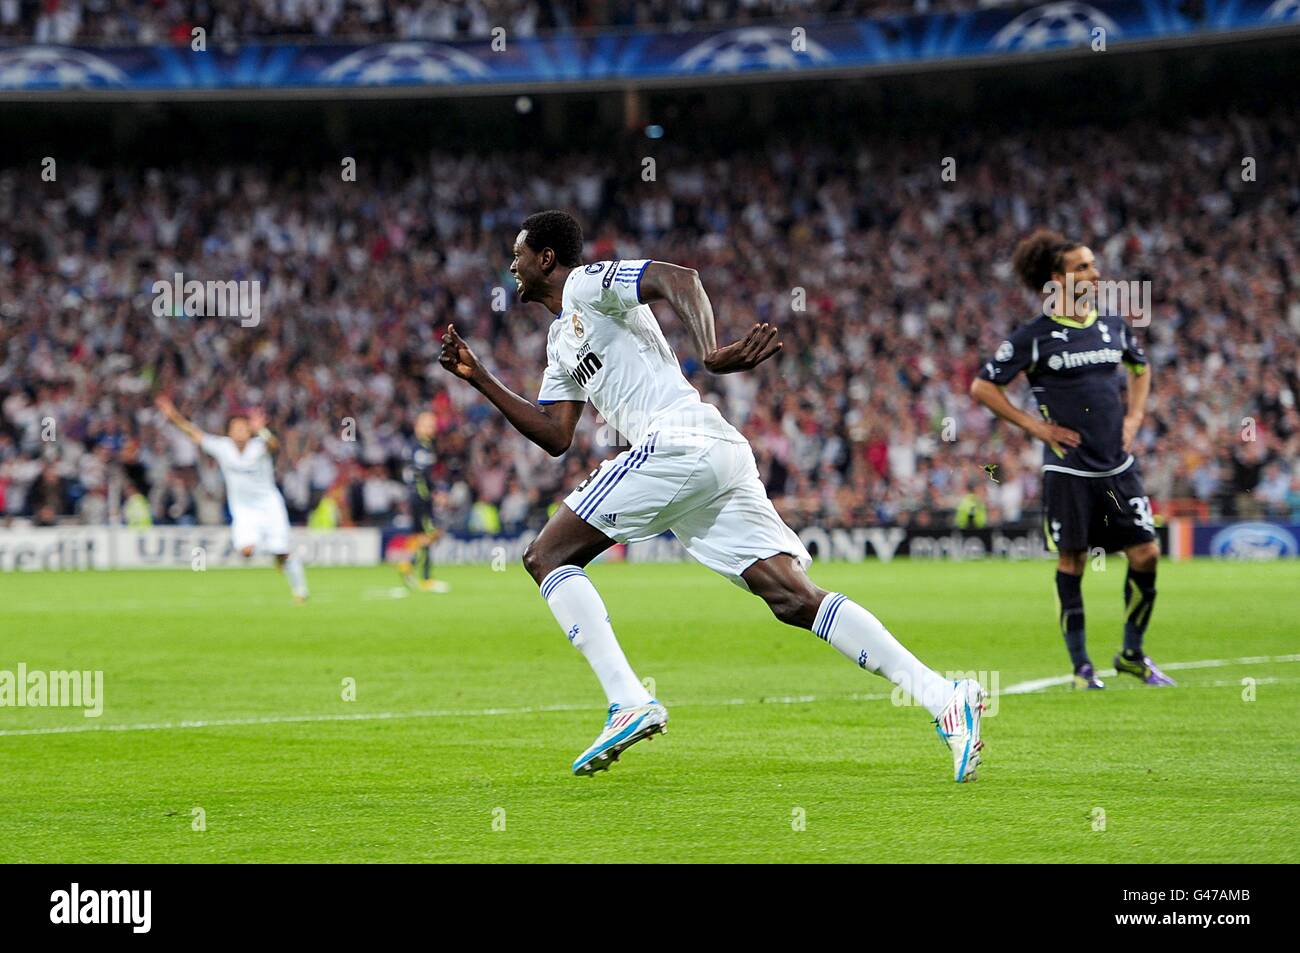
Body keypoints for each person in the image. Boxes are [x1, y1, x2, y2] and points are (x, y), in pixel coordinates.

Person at [439, 209, 987, 781]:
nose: (512, 264)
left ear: (547, 258)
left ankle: (628, 700)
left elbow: (680, 278)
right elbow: (555, 435)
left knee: (545, 556)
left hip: (679, 443)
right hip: (708, 455)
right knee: (792, 597)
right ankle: (945, 697)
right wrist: (479, 378)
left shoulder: (588, 283)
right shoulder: (560, 343)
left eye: (519, 253)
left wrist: (711, 349)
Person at [970, 229, 1174, 689]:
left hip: (1118, 465)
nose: (1094, 273)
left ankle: (1132, 653)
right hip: (1069, 469)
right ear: (1055, 280)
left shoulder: (1112, 325)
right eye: (1082, 267)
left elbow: (1140, 368)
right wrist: (1037, 428)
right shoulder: (1034, 337)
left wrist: (1136, 416)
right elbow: (983, 387)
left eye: (1093, 264)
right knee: (1073, 562)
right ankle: (1082, 667)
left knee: (1146, 554)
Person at [155, 395, 309, 603]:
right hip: (244, 508)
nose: (239, 432)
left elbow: (275, 446)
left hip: (269, 505)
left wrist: (261, 430)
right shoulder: (222, 447)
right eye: (235, 429)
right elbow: (194, 433)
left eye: (243, 428)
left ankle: (300, 591)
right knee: (246, 551)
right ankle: (276, 554)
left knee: (282, 551)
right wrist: (172, 415)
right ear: (229, 432)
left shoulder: (259, 445)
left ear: (249, 431)